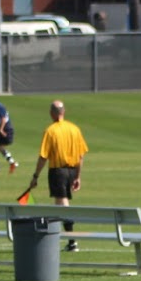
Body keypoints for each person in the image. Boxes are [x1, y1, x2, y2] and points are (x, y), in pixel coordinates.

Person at [28, 99, 89, 251]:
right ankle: (58, 237)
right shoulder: (74, 129)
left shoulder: (51, 131)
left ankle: (72, 240)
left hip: (58, 171)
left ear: (51, 114)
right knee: (59, 204)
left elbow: (43, 156)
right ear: (64, 112)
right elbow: (81, 155)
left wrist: (35, 176)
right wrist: (78, 176)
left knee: (62, 204)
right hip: (72, 170)